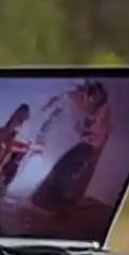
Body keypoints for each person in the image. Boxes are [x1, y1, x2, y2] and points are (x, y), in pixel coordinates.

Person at [30, 81, 111, 212]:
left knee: (66, 174)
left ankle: (58, 202)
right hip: (83, 148)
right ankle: (55, 201)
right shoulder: (90, 112)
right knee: (61, 172)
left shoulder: (99, 115)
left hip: (87, 149)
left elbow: (97, 135)